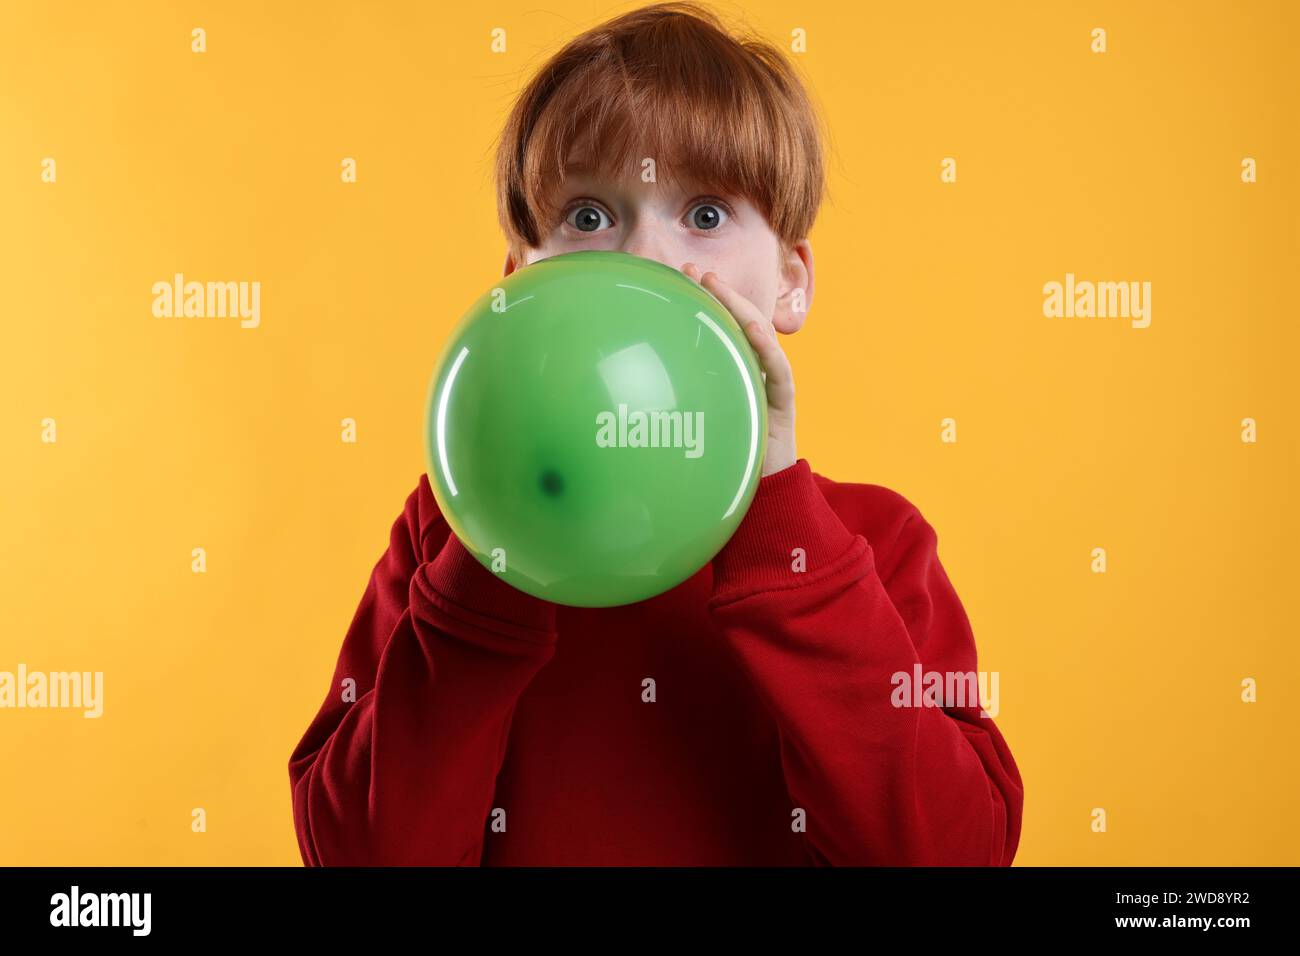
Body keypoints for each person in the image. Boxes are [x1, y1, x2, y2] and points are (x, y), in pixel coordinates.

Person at [289, 0, 1023, 866]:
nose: (644, 262)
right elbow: (361, 854)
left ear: (790, 283)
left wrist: (778, 523)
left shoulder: (875, 544)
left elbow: (950, 855)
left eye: (705, 214)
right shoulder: (450, 532)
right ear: (519, 279)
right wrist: (497, 544)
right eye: (590, 217)